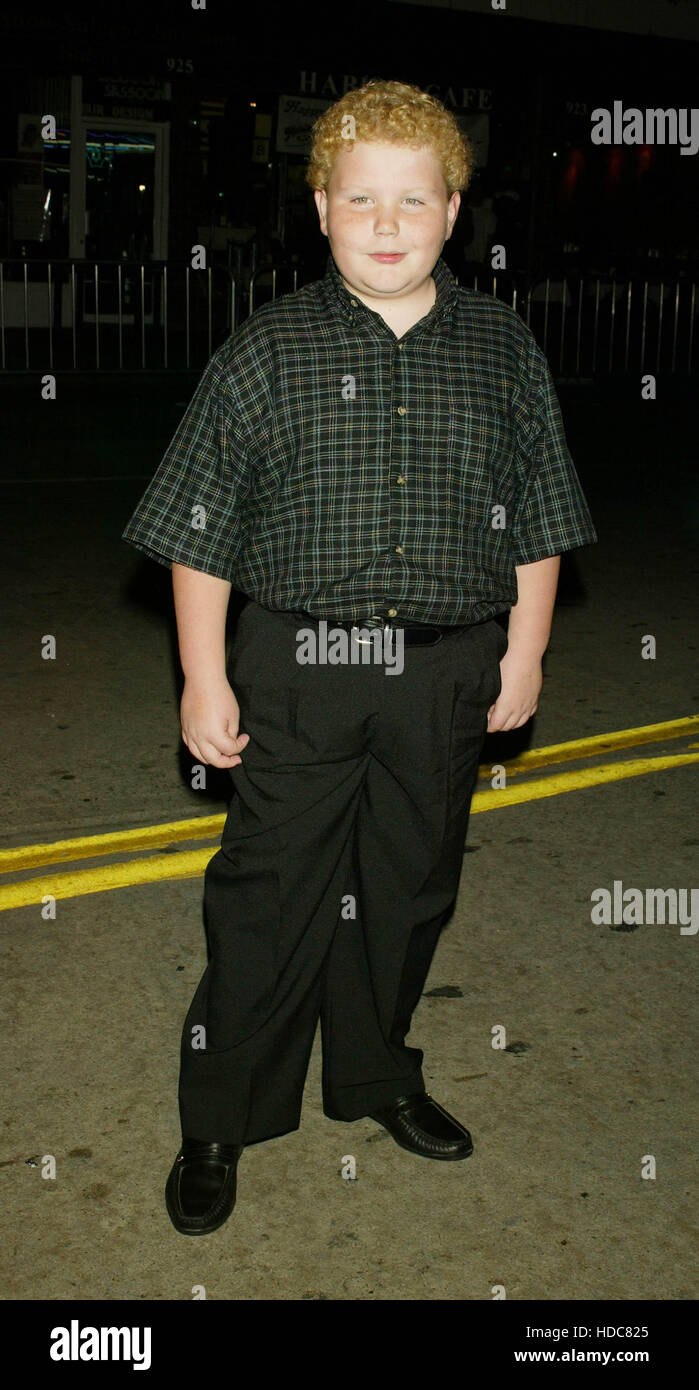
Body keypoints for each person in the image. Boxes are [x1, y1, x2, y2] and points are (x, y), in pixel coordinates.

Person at [121, 79, 597, 1237]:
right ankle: (221, 1115)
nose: (388, 223)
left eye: (414, 200)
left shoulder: (501, 349)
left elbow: (538, 518)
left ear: (454, 210)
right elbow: (200, 529)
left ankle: (378, 1075)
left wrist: (525, 655)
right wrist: (203, 671)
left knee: (407, 885)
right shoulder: (266, 349)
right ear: (322, 208)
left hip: (444, 667)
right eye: (362, 199)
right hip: (298, 664)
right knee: (269, 892)